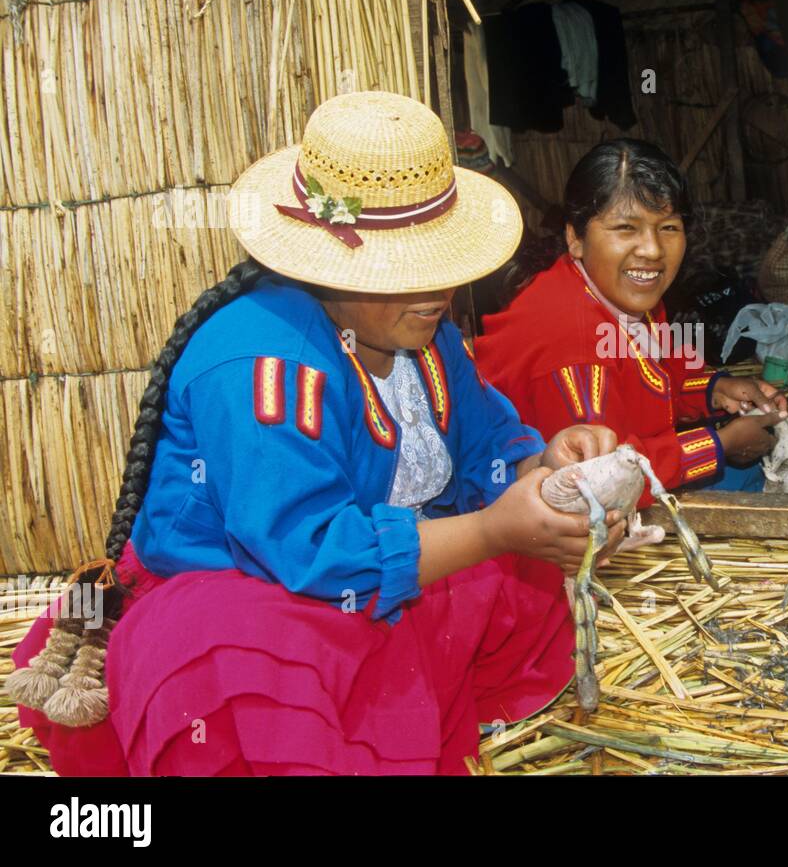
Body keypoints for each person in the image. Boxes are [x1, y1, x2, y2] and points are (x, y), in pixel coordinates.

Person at [7, 91, 626, 776]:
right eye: (407, 272)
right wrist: (488, 532)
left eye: (444, 268)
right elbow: (311, 550)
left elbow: (487, 445)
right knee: (245, 668)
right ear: (330, 265)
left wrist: (547, 466)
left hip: (372, 570)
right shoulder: (264, 365)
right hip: (260, 587)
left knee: (523, 571)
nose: (438, 293)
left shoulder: (424, 331)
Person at [475, 139, 786, 508]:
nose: (652, 250)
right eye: (625, 228)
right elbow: (601, 482)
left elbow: (661, 375)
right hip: (570, 513)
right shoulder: (572, 351)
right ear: (575, 238)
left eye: (668, 227)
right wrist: (721, 444)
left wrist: (718, 390)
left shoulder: (619, 293)